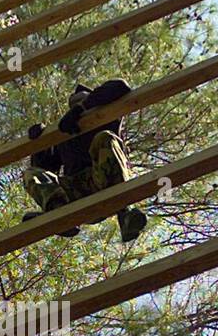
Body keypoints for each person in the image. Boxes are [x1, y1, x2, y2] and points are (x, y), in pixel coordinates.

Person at [22, 79, 147, 244]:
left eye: (81, 99)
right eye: (73, 103)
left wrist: (83, 108)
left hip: (104, 180)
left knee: (104, 138)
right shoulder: (65, 135)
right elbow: (43, 171)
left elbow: (121, 87)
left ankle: (124, 213)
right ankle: (59, 214)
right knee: (30, 174)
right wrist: (39, 143)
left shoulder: (108, 117)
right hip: (76, 191)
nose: (76, 103)